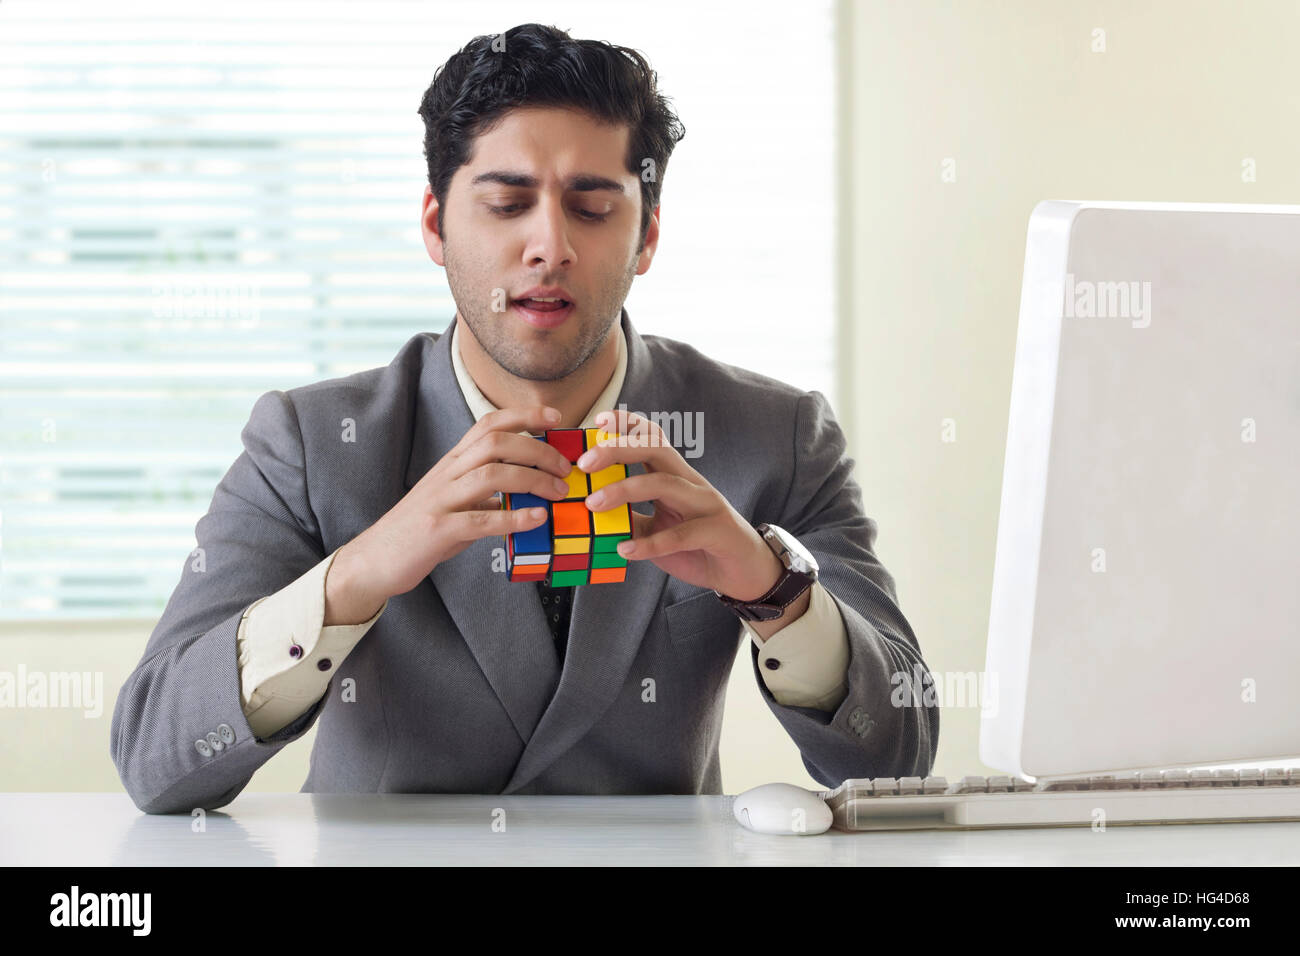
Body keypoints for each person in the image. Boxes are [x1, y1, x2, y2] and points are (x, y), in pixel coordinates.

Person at [111, 23, 939, 814]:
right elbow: (156, 758)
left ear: (646, 236)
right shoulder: (309, 442)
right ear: (436, 225)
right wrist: (356, 575)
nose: (550, 246)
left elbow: (897, 755)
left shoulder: (775, 435)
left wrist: (773, 590)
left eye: (591, 207)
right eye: (507, 204)